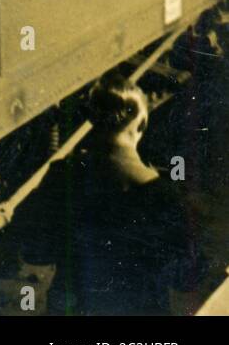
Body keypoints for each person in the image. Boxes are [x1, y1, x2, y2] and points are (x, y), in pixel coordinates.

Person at [15, 72, 203, 315]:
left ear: (93, 120)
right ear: (142, 123)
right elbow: (189, 278)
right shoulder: (164, 195)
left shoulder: (62, 176)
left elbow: (34, 251)